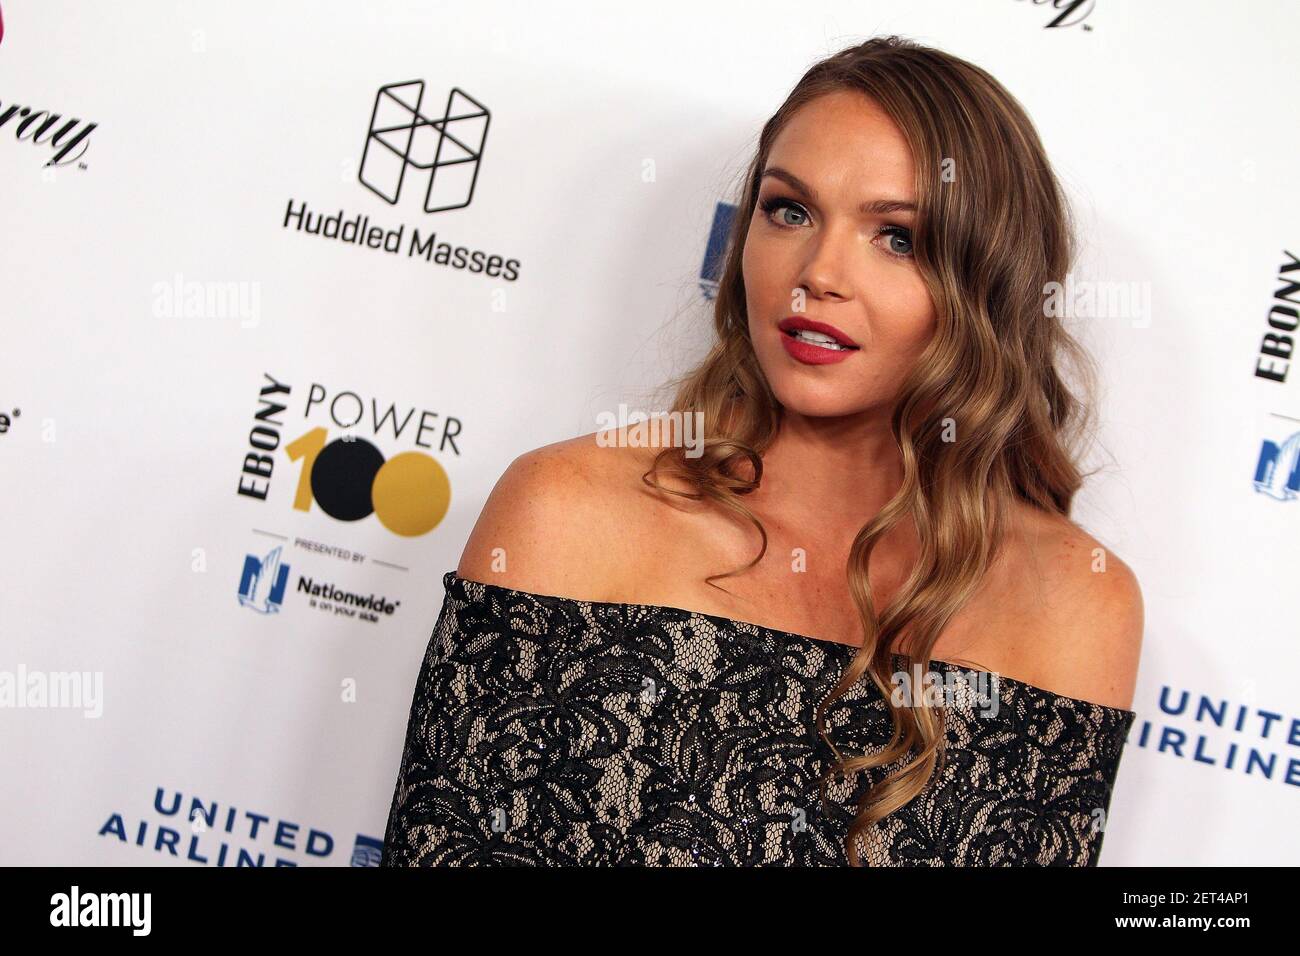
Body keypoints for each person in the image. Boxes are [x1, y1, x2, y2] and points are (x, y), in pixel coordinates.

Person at [381, 34, 1143, 867]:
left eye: (897, 238)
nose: (817, 272)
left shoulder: (1076, 603)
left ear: (986, 285)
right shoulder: (566, 510)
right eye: (791, 210)